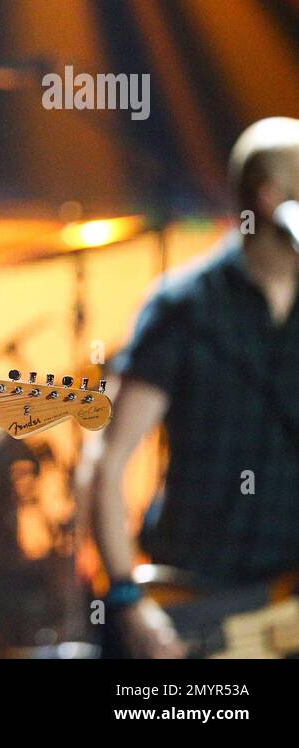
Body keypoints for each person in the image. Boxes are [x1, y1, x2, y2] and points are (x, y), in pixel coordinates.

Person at [94, 117, 299, 657]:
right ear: (272, 198)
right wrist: (127, 601)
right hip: (191, 606)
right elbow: (107, 462)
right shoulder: (186, 307)